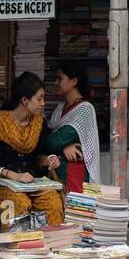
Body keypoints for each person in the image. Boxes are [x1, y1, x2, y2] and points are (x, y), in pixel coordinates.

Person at [0, 71, 64, 227]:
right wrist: (13, 176)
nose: (43, 103)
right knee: (20, 203)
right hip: (2, 184)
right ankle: (18, 248)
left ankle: (50, 246)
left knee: (53, 202)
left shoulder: (38, 122)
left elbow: (38, 156)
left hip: (33, 183)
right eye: (39, 98)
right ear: (24, 100)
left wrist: (47, 160)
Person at [42, 60, 101, 191]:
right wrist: (63, 148)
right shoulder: (59, 108)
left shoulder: (84, 109)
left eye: (60, 78)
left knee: (73, 209)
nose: (56, 83)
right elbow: (46, 141)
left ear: (74, 81)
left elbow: (53, 142)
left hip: (75, 174)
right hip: (57, 171)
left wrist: (59, 147)